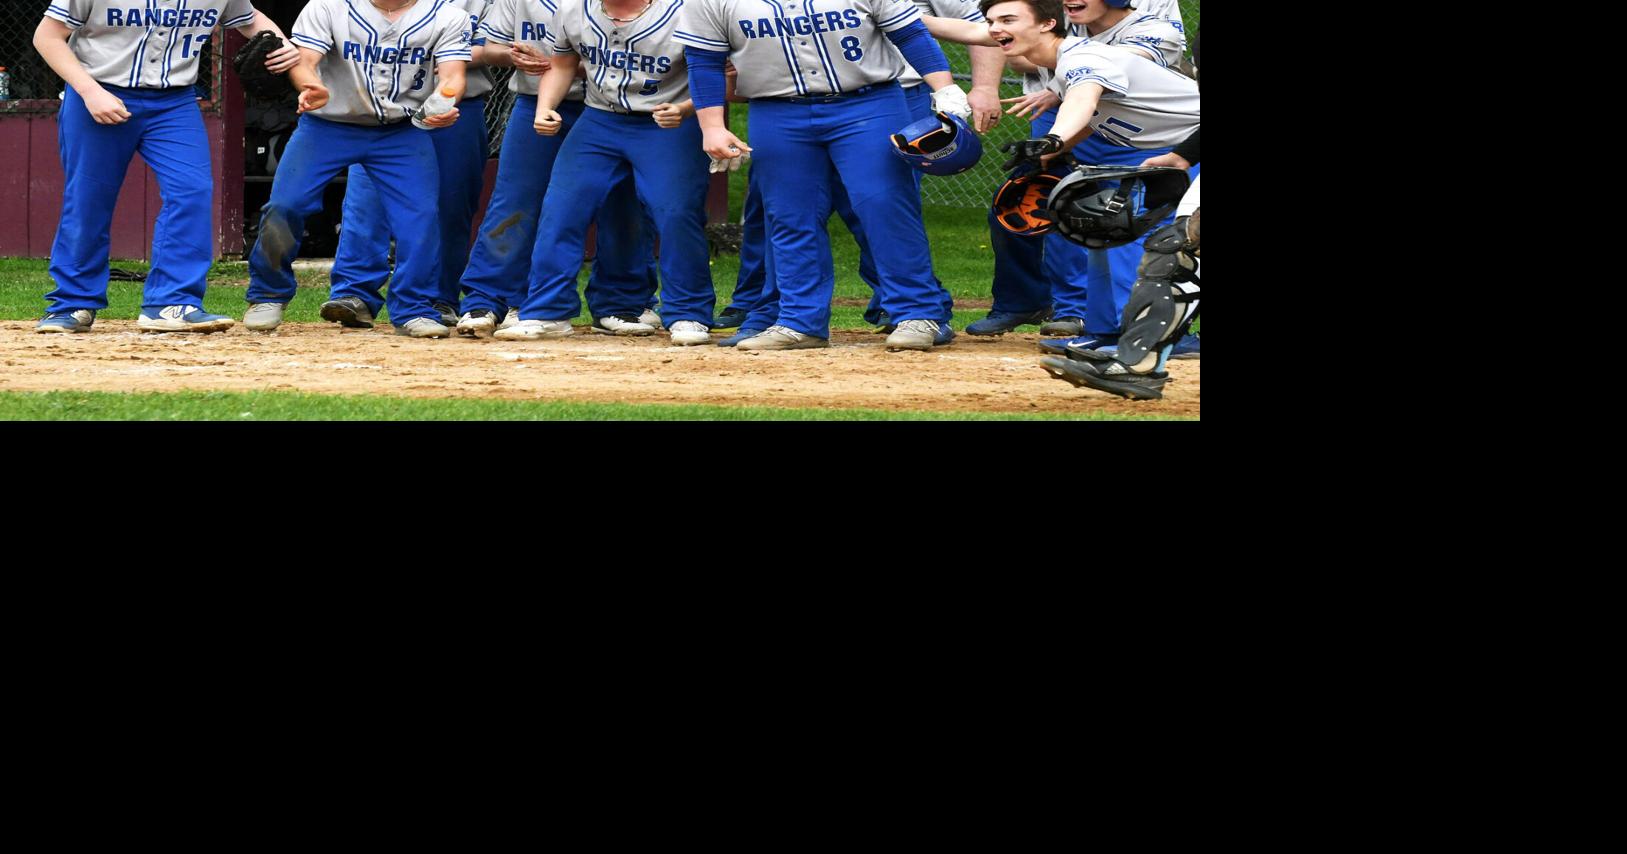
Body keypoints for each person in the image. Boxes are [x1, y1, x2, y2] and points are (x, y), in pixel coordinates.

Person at [678, 0, 974, 351]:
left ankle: (919, 313)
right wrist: (711, 126)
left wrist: (945, 88)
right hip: (777, 110)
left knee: (884, 205)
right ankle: (799, 321)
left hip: (868, 102)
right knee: (789, 215)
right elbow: (704, 61)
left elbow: (910, 33)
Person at [927, 0, 1188, 343]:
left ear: (1048, 25)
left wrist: (1052, 140)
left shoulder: (1082, 57)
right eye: (991, 21)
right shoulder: (1065, 58)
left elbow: (1084, 99)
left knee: (1140, 237)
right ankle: (1106, 331)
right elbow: (1095, 115)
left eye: (1006, 20)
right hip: (1162, 145)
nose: (993, 30)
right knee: (1101, 229)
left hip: (1185, 145)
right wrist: (1056, 151)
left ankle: (1152, 337)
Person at [34, 0, 297, 334]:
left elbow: (250, 18)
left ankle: (172, 302)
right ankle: (72, 303)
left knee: (192, 191)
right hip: (100, 90)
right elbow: (47, 36)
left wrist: (282, 43)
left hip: (173, 102)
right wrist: (89, 91)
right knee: (89, 200)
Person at [241, 0, 473, 338]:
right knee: (285, 205)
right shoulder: (327, 7)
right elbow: (305, 61)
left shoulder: (448, 15)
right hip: (327, 125)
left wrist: (444, 101)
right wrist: (310, 85)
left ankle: (413, 308)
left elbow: (453, 76)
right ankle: (268, 293)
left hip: (401, 130)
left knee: (420, 219)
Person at [496, 0, 715, 344]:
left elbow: (716, 73)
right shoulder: (573, 10)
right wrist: (545, 107)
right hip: (600, 119)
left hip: (665, 122)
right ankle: (546, 310)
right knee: (561, 209)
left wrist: (687, 109)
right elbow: (562, 63)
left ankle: (689, 313)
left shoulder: (686, 11)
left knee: (676, 213)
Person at [451, 0, 661, 338]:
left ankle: (622, 302)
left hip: (612, 109)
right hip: (536, 101)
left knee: (624, 205)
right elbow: (491, 47)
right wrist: (512, 56)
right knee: (516, 200)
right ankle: (489, 298)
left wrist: (574, 64)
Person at [316, 0, 495, 332]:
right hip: (384, 110)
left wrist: (448, 49)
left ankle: (437, 297)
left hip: (456, 108)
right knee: (366, 203)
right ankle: (355, 293)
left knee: (450, 204)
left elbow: (496, 47)